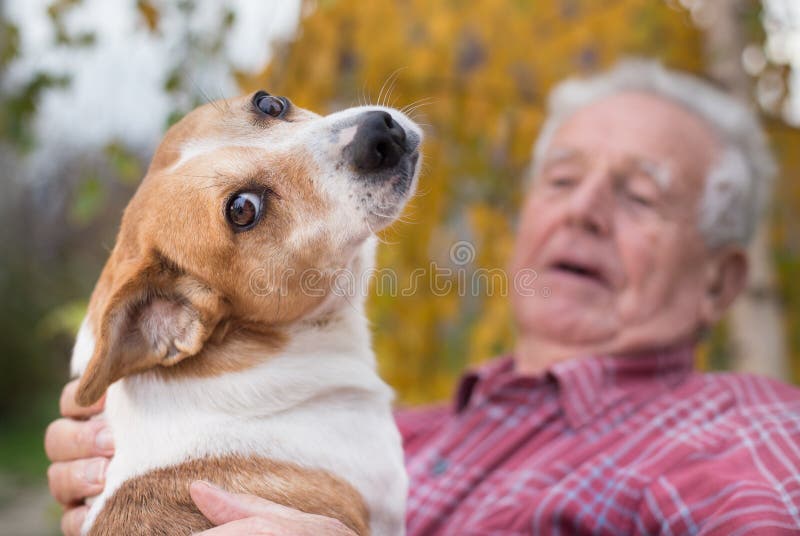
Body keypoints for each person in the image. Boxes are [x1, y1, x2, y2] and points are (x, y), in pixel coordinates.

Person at [45, 60, 800, 535]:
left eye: (639, 195)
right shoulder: (403, 429)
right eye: (563, 180)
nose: (583, 211)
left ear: (721, 282)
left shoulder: (743, 435)